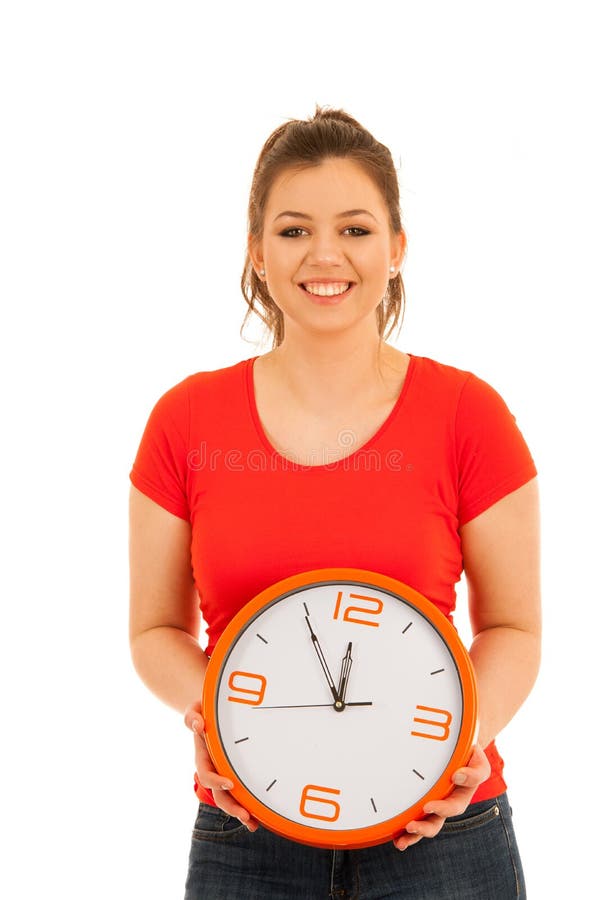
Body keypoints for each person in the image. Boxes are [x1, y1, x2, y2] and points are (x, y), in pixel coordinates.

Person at [128, 106, 541, 899]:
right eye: (292, 231)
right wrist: (210, 717)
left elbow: (514, 628)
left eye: (355, 229)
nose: (325, 255)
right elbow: (153, 631)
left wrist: (466, 743)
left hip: (444, 832)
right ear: (255, 250)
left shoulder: (467, 414)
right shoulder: (185, 421)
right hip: (247, 828)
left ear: (397, 249)